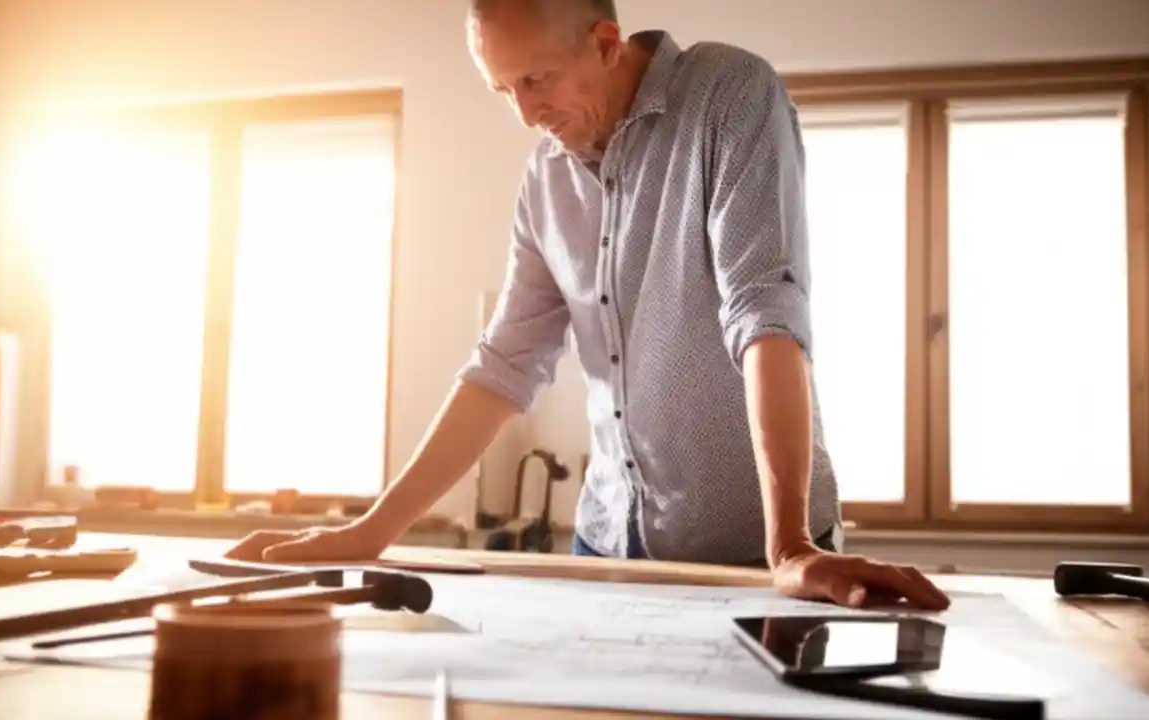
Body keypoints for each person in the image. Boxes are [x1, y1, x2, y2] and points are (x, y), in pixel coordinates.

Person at [226, 0, 950, 611]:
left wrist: (791, 543)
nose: (525, 113)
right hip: (607, 540)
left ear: (605, 44)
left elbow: (764, 314)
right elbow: (505, 364)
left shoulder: (728, 94)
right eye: (504, 90)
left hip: (754, 551)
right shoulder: (545, 177)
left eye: (536, 79)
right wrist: (368, 533)